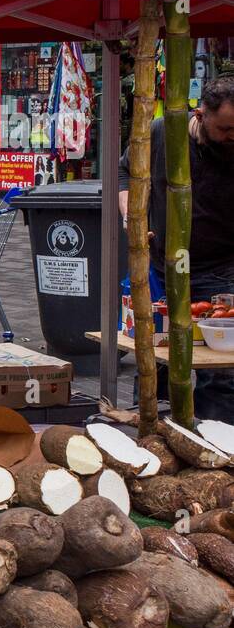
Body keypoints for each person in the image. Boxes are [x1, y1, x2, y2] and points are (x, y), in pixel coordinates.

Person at [119, 77, 234, 421]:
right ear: (200, 114)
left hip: (221, 269)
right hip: (160, 268)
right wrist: (131, 216)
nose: (233, 136)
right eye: (225, 128)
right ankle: (155, 434)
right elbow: (127, 172)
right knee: (154, 360)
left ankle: (218, 445)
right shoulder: (161, 132)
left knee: (222, 371)